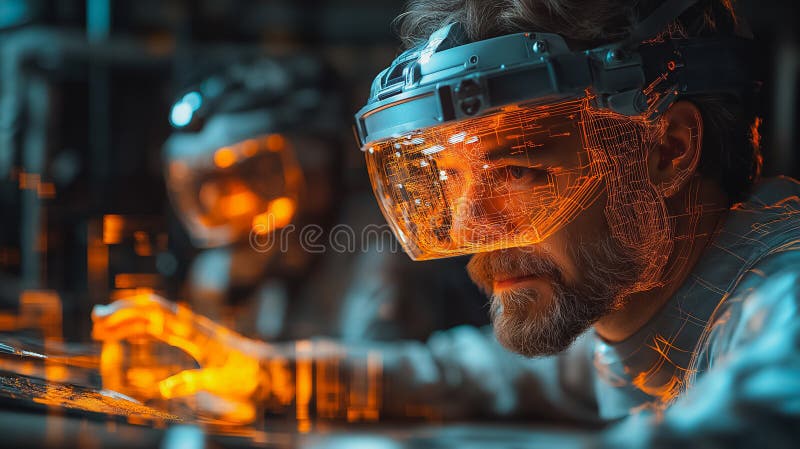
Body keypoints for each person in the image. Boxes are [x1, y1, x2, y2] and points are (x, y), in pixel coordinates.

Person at [93, 0, 800, 446]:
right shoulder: (637, 316)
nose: (470, 225)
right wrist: (269, 375)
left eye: (516, 170)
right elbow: (476, 372)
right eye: (447, 180)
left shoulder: (784, 298)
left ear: (669, 148)